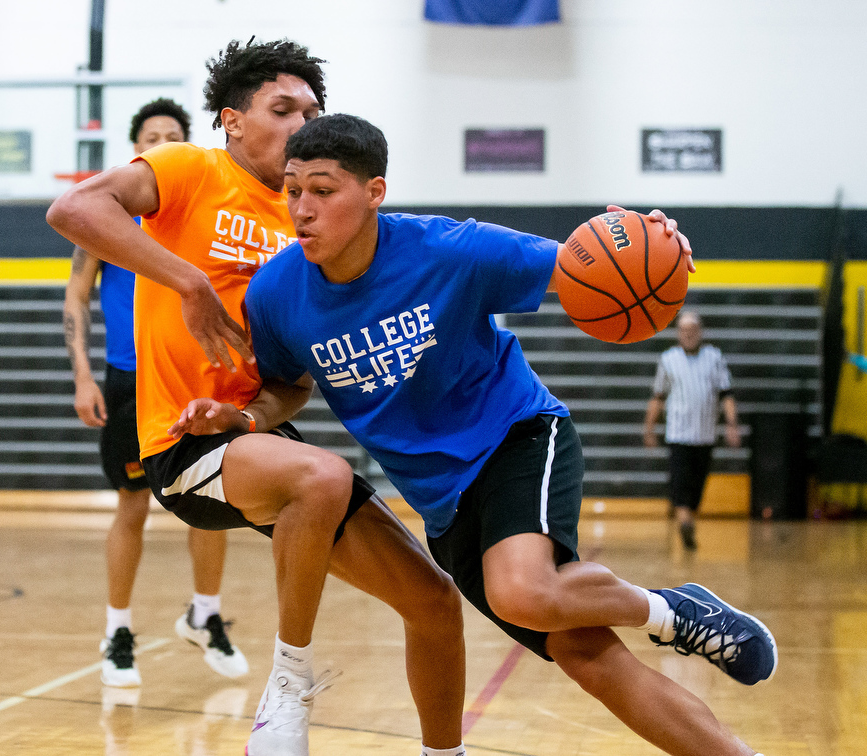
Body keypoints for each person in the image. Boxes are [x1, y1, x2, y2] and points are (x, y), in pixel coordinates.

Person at [236, 113, 777, 756]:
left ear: (374, 192)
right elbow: (285, 386)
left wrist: (654, 245)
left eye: (323, 191)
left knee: (523, 591)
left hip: (517, 437)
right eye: (293, 190)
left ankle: (671, 612)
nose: (302, 209)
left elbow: (587, 268)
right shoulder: (275, 293)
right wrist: (245, 418)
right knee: (590, 659)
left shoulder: (451, 251)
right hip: (445, 507)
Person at [48, 40, 467, 756]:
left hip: (254, 433)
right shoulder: (190, 169)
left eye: (312, 111)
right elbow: (73, 208)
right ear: (233, 121)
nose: (303, 123)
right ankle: (287, 687)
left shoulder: (308, 219)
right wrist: (189, 280)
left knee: (434, 601)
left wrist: (251, 412)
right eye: (284, 109)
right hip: (181, 443)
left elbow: (294, 382)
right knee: (324, 475)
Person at [63, 98, 250, 687]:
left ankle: (206, 614)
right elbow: (75, 297)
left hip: (196, 380)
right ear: (137, 147)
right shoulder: (108, 219)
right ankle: (117, 629)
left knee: (213, 506)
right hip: (128, 379)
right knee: (132, 504)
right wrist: (83, 374)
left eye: (174, 134)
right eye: (152, 134)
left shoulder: (199, 211)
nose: (162, 140)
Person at [644, 310, 741, 550]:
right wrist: (649, 427)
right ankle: (685, 522)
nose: (688, 335)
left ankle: (688, 519)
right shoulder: (668, 359)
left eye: (692, 330)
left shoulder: (714, 357)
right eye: (683, 331)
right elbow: (658, 396)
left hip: (705, 434)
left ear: (700, 333)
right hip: (677, 434)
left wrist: (731, 425)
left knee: (697, 484)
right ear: (678, 334)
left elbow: (726, 395)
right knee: (680, 483)